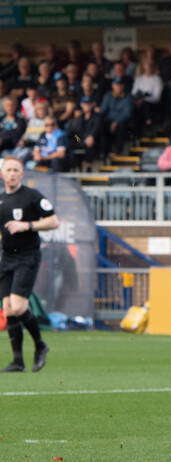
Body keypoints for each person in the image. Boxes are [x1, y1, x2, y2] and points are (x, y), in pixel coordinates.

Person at [0, 157, 58, 372]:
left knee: (18, 306)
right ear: (2, 174)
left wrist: (27, 225)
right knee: (8, 310)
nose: (12, 173)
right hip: (7, 258)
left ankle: (40, 345)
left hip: (27, 256)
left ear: (22, 174)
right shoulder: (2, 200)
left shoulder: (32, 196)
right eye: (9, 170)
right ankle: (18, 361)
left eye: (16, 170)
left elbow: (53, 221)